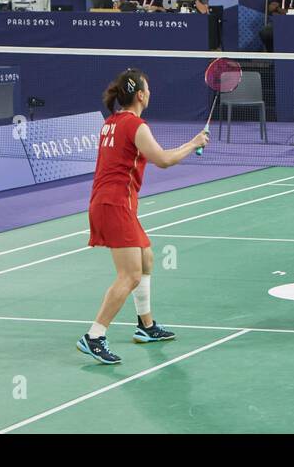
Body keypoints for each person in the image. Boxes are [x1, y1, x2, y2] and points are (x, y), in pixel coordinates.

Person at [76, 69, 209, 364]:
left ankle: (146, 326)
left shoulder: (111, 123)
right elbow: (162, 160)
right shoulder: (136, 126)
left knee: (146, 257)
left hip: (108, 202)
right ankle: (94, 336)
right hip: (115, 205)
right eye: (148, 89)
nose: (150, 93)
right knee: (130, 275)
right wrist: (194, 143)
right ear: (140, 95)